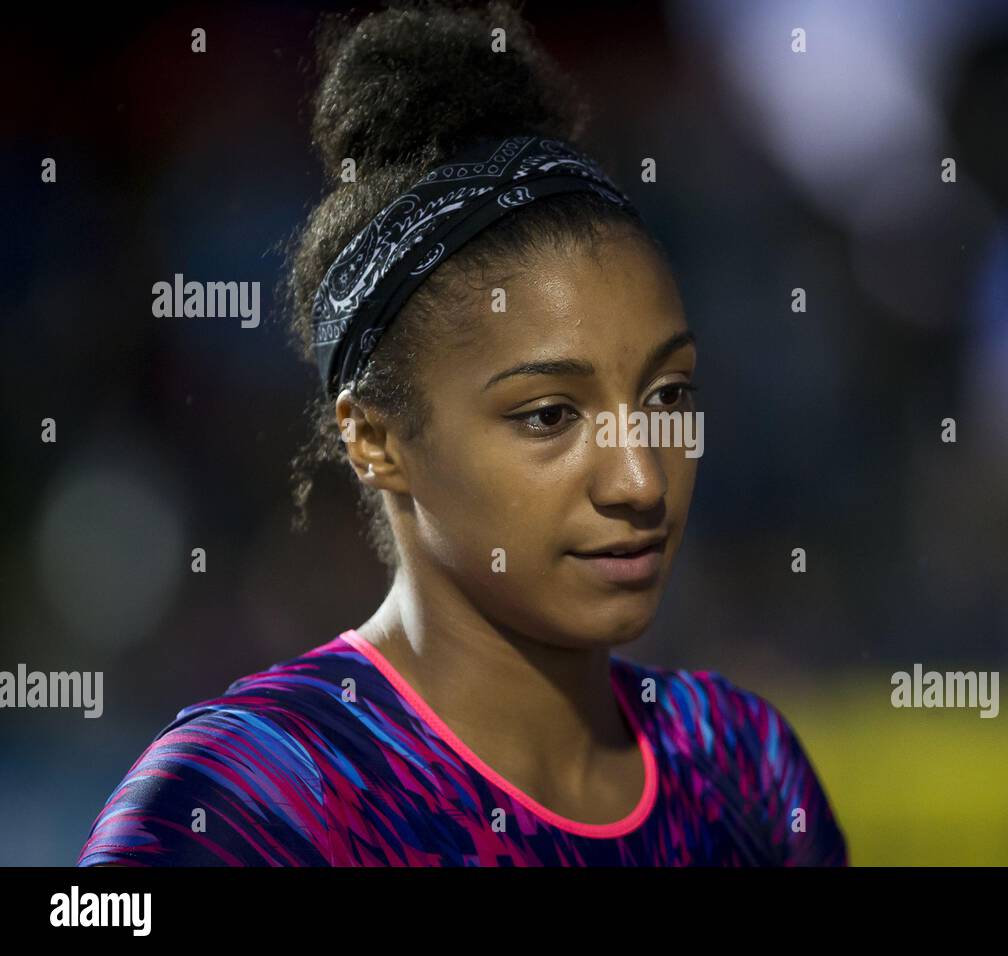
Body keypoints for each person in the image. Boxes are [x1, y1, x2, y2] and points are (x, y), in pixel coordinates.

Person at [77, 0, 848, 866]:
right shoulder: (246, 801)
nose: (641, 480)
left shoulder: (742, 769)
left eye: (668, 397)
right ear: (374, 438)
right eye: (549, 416)